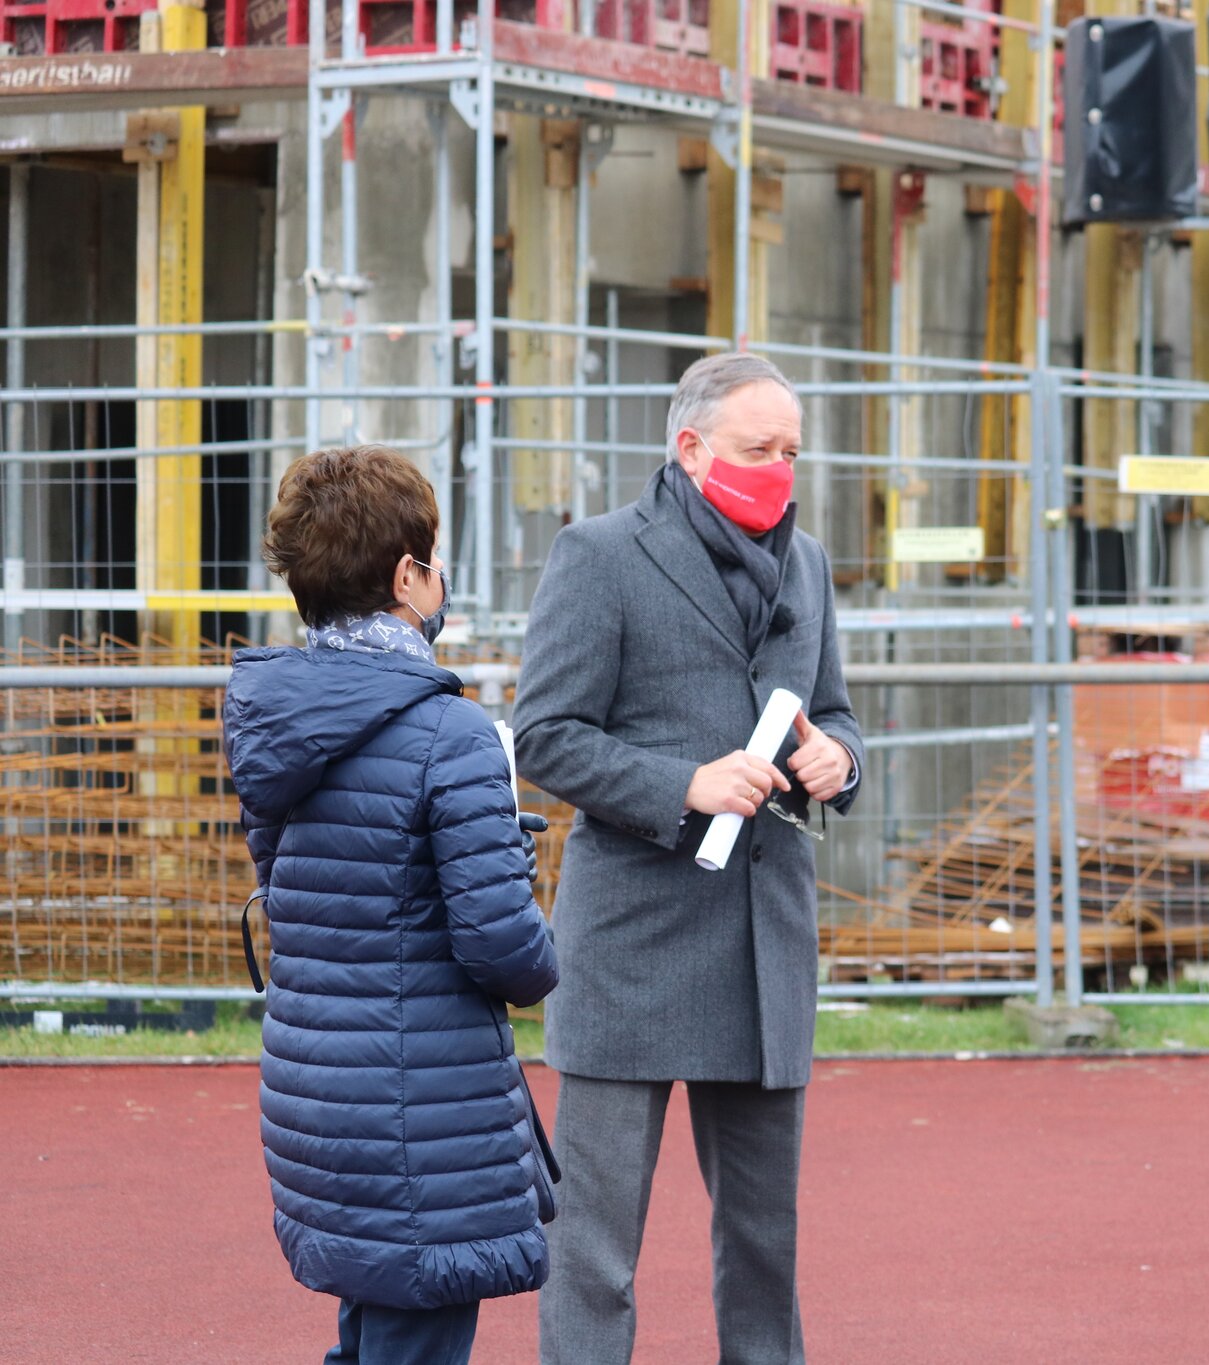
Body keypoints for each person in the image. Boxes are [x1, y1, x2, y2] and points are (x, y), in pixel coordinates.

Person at [517, 351, 864, 1365]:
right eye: (759, 450)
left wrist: (838, 758)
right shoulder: (599, 554)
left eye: (791, 451)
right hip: (630, 954)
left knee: (765, 1251)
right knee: (596, 1255)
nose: (779, 469)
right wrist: (683, 784)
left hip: (763, 955)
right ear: (690, 447)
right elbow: (543, 734)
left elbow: (831, 709)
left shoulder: (807, 565)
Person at [224, 445, 561, 1365]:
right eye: (434, 559)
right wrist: (520, 882)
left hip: (317, 1087)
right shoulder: (449, 730)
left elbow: (295, 884)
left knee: (371, 1333)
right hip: (423, 1105)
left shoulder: (276, 716)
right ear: (409, 575)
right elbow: (509, 953)